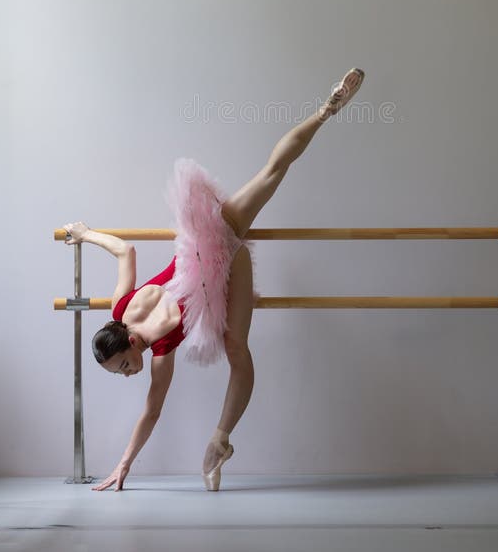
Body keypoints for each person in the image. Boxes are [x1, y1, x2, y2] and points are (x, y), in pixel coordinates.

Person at [63, 67, 365, 492]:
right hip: (215, 254)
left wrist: (84, 233)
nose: (129, 374)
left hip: (212, 244)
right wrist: (86, 234)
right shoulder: (129, 315)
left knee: (273, 173)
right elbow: (125, 251)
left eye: (125, 366)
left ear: (129, 341)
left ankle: (325, 111)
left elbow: (152, 409)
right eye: (123, 373)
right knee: (237, 347)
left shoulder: (151, 341)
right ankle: (219, 441)